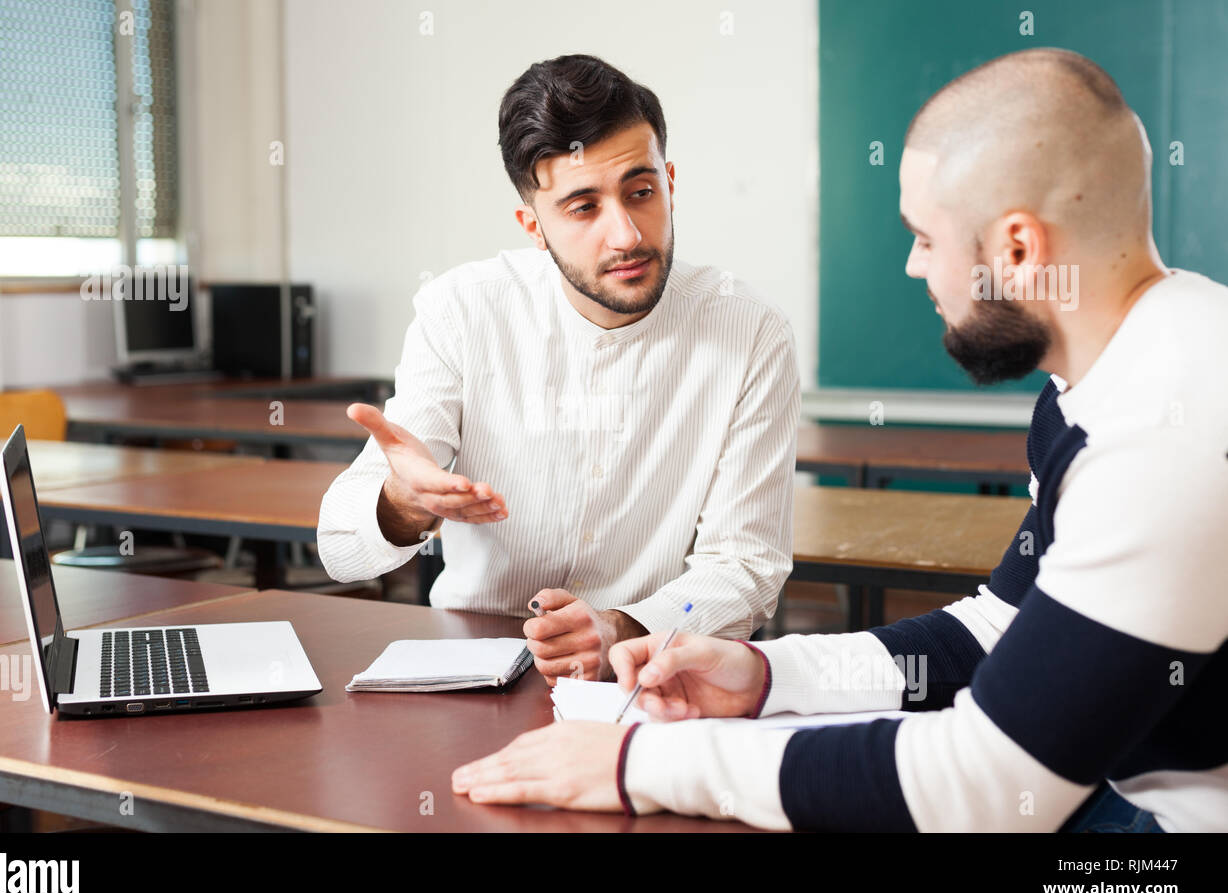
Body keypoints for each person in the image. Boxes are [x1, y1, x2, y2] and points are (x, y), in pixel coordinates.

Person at [451, 48, 1228, 832]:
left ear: (1018, 250)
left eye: (926, 237)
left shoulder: (1165, 438)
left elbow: (986, 786)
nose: (913, 265)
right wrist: (760, 673)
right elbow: (1001, 627)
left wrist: (635, 764)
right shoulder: (1122, 371)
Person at [317, 54, 800, 685]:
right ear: (534, 226)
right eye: (582, 207)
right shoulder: (461, 310)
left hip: (647, 673)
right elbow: (341, 549)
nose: (626, 234)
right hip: (470, 671)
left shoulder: (750, 331)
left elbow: (745, 564)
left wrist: (624, 625)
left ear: (670, 182)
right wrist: (404, 503)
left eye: (641, 192)